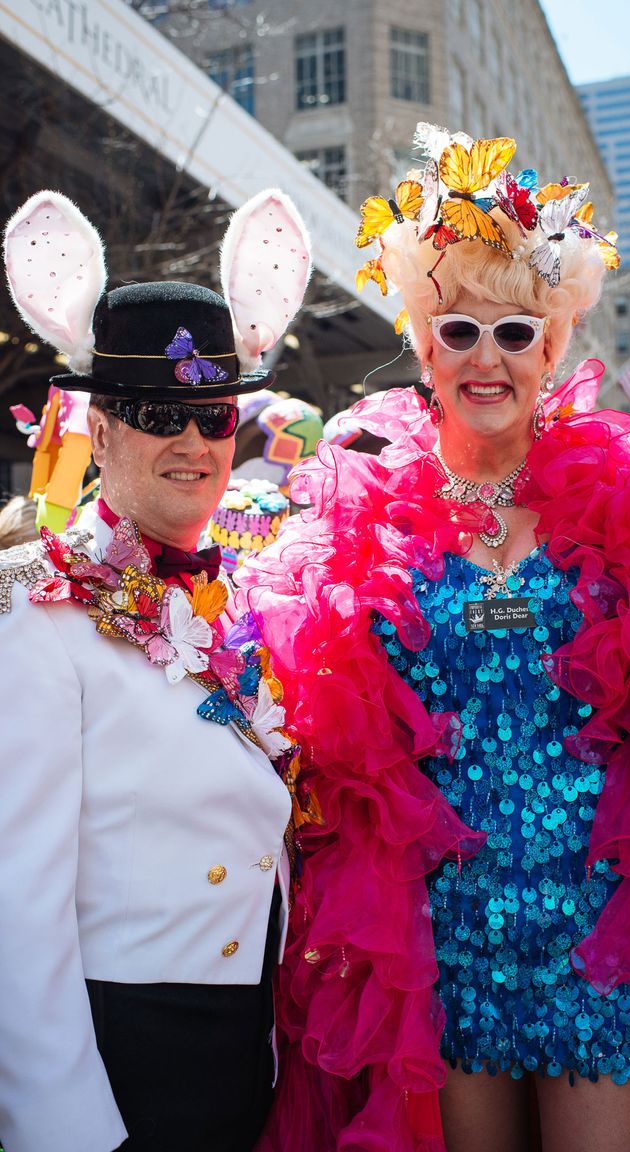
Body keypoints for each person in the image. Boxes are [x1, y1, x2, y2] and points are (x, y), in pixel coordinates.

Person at [233, 124, 630, 1152]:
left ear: (554, 346)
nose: (487, 359)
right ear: (425, 343)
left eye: (514, 333)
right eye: (461, 330)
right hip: (447, 950)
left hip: (606, 949)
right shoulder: (363, 531)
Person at [0, 184, 312, 1152]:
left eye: (213, 414)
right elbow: (17, 918)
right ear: (96, 433)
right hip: (114, 1081)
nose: (191, 440)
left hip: (239, 1072)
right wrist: (73, 1134)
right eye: (154, 409)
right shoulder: (34, 608)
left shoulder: (236, 605)